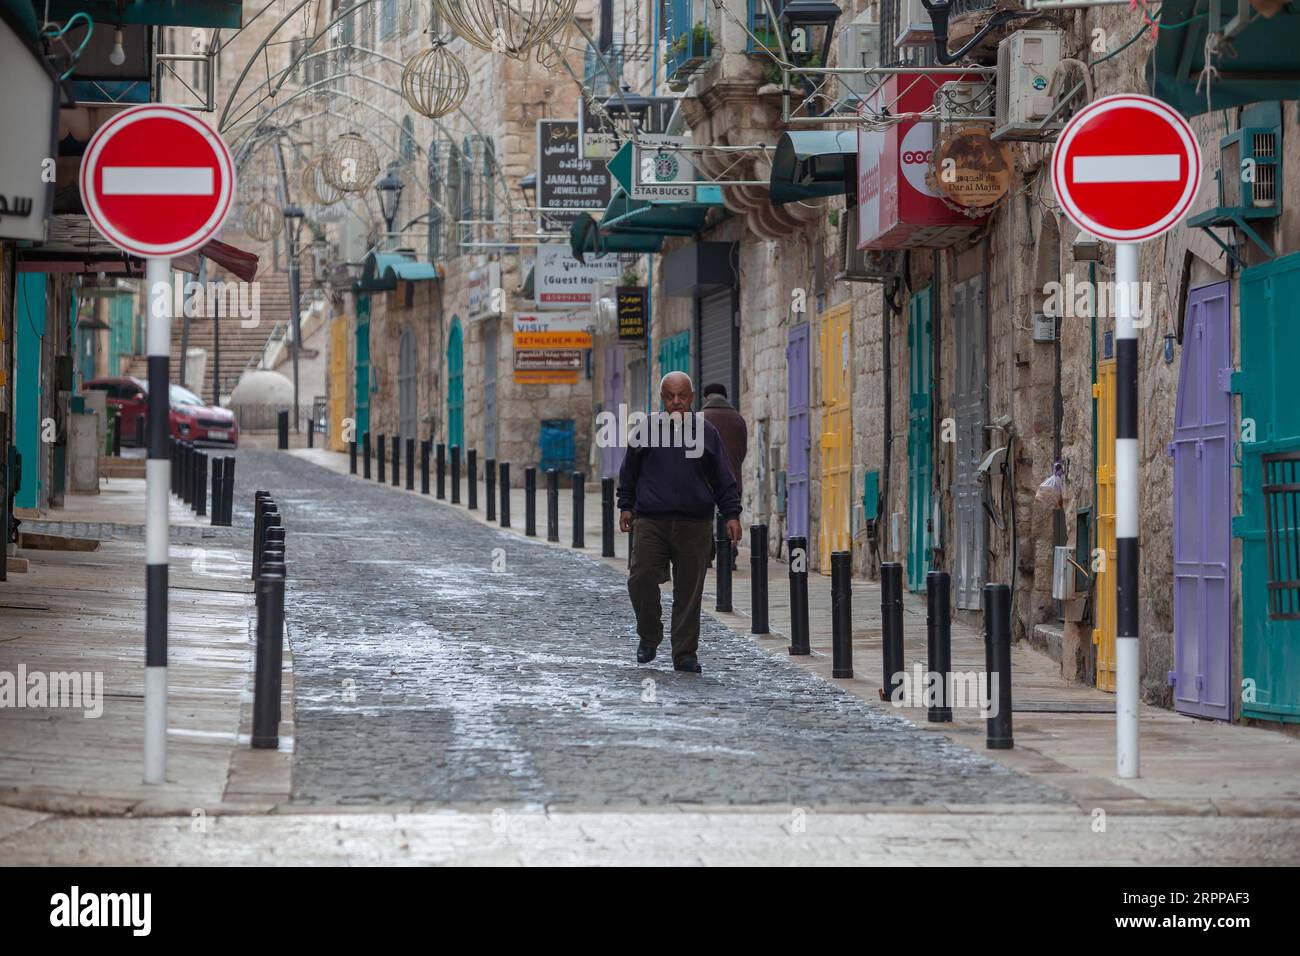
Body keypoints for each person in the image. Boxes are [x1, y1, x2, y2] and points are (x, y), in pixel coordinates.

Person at [618, 372, 742, 674]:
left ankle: (684, 654)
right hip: (651, 521)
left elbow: (724, 477)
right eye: (670, 396)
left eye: (682, 396)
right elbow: (629, 471)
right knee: (641, 577)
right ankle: (649, 635)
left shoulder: (707, 432)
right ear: (662, 399)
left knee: (689, 592)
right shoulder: (645, 429)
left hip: (694, 524)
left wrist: (732, 514)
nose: (676, 402)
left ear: (691, 397)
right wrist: (625, 506)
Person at [700, 382, 747, 570]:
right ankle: (729, 556)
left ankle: (706, 555)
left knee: (704, 518)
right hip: (732, 477)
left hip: (703, 478)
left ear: (706, 398)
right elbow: (743, 450)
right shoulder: (738, 419)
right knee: (730, 515)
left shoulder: (700, 419)